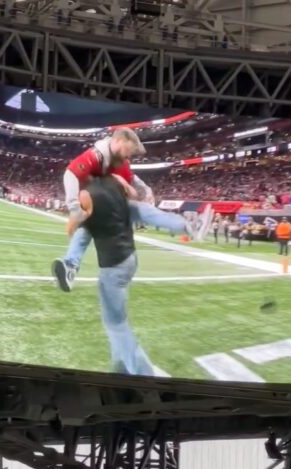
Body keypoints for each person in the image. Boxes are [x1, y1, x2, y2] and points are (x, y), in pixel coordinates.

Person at [51, 127, 209, 292]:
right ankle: (190, 226)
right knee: (141, 212)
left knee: (140, 212)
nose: (129, 156)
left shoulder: (121, 162)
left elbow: (132, 178)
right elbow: (70, 173)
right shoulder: (97, 155)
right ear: (118, 140)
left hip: (108, 206)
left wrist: (145, 189)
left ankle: (70, 266)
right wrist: (74, 207)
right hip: (96, 205)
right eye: (129, 151)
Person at [78, 175, 155, 375]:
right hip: (121, 260)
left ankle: (141, 371)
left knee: (116, 322)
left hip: (117, 262)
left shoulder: (117, 200)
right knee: (115, 319)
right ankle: (123, 363)